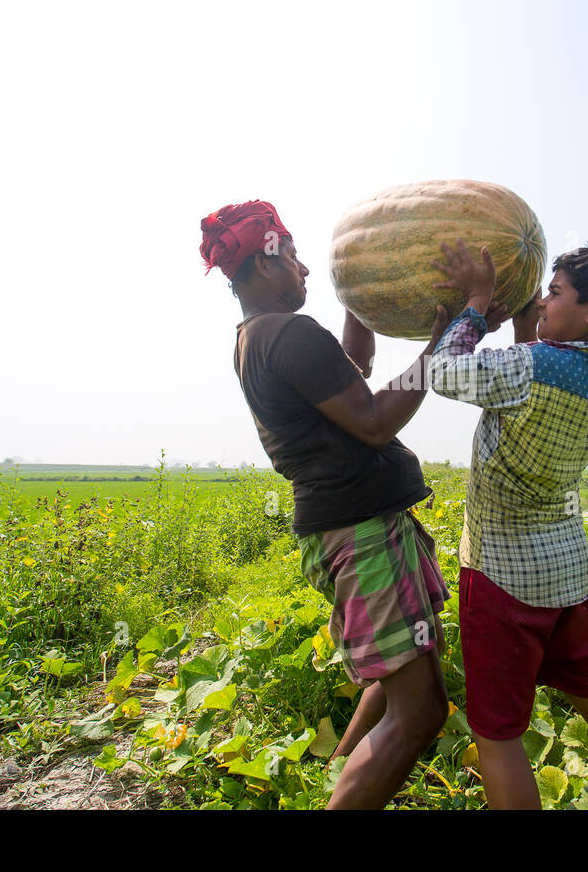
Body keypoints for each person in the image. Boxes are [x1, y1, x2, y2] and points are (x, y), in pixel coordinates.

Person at [199, 199, 464, 809]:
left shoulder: (256, 337)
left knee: (410, 663)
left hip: (346, 527)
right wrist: (445, 338)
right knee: (421, 713)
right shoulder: (289, 333)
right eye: (292, 257)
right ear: (265, 266)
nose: (304, 270)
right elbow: (371, 421)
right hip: (361, 532)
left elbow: (357, 368)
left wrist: (358, 298)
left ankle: (338, 769)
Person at [426, 237, 588, 810]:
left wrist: (478, 302)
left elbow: (442, 371)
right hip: (566, 579)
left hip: (502, 579)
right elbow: (533, 386)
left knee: (498, 734)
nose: (543, 302)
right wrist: (526, 332)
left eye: (555, 294)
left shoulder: (534, 367)